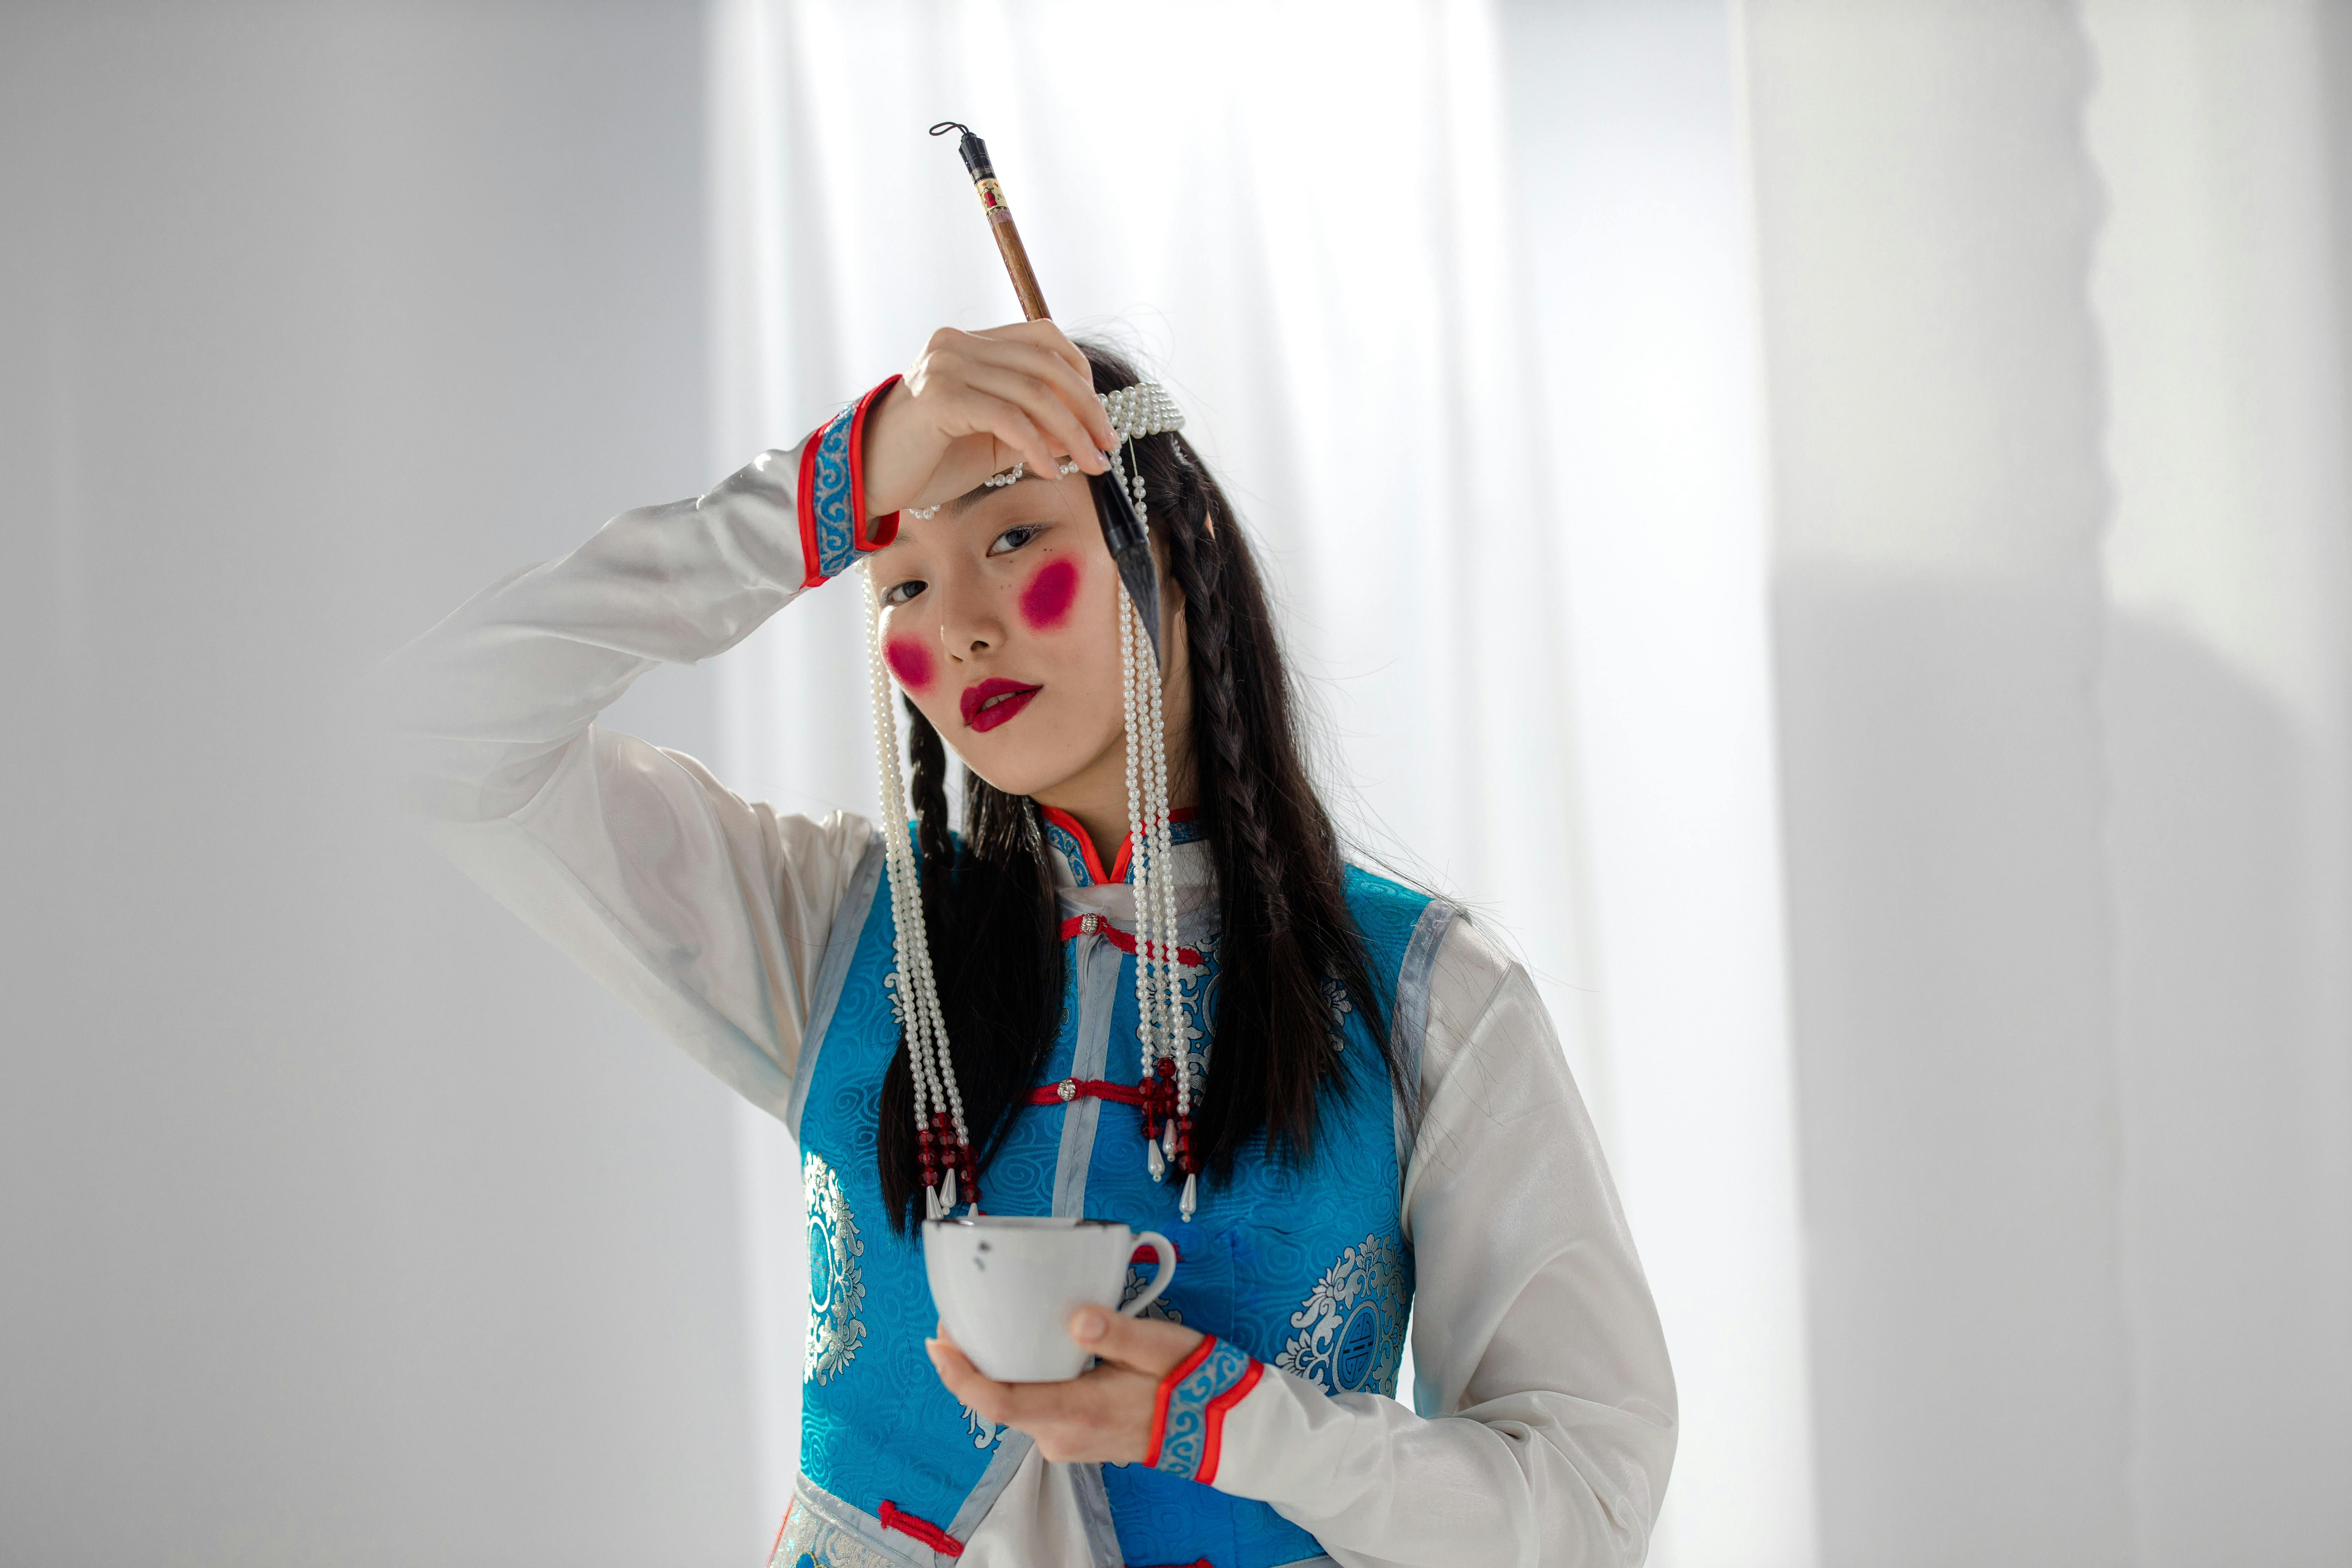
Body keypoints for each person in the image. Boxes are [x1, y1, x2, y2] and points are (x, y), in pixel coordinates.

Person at [371, 320, 1676, 1568]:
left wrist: (1247, 1431)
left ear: (1177, 543)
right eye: (905, 583)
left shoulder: (1425, 996)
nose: (962, 625)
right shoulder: (835, 929)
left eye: (1013, 534)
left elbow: (1588, 1500)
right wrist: (836, 480)